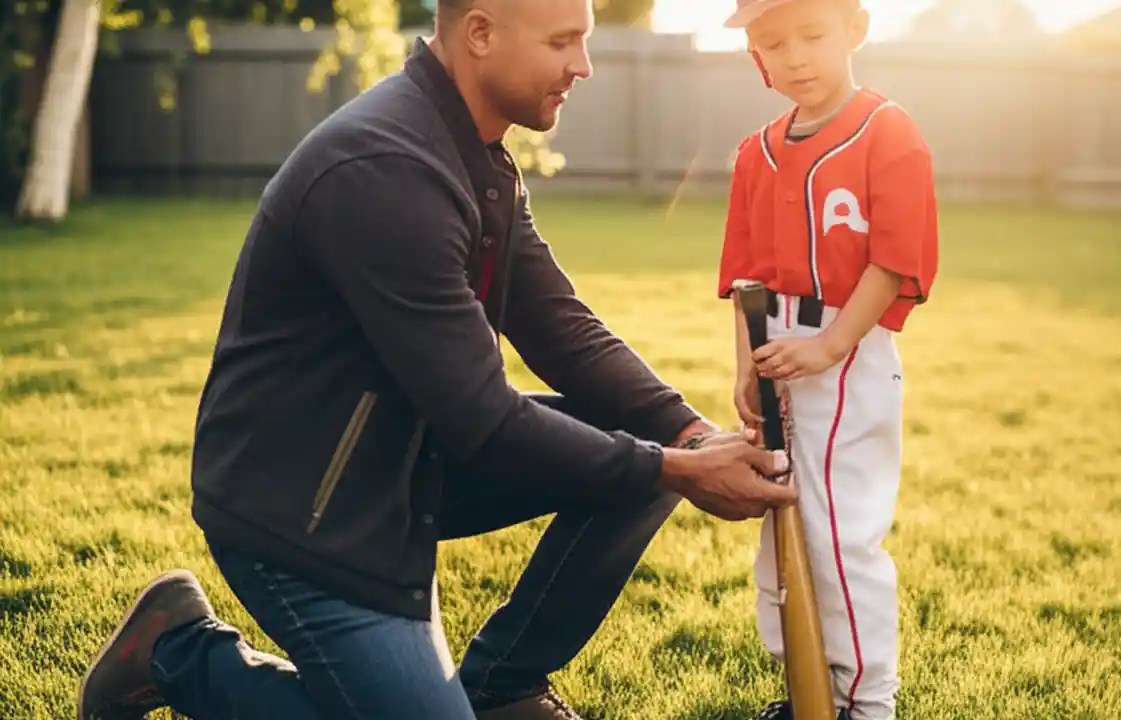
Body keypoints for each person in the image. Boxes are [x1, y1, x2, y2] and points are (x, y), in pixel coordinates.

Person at [77, 2, 799, 719]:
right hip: (304, 506)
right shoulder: (385, 169)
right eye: (562, 42)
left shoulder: (475, 156)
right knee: (646, 466)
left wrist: (690, 436)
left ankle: (501, 688)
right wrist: (675, 467)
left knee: (648, 453)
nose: (583, 65)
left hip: (406, 460)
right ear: (479, 33)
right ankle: (176, 653)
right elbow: (483, 419)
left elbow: (557, 325)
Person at [717, 1, 940, 718]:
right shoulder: (757, 151)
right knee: (783, 520)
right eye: (774, 43)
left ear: (855, 29)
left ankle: (868, 703)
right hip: (777, 345)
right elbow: (745, 275)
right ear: (757, 56)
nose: (797, 57)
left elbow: (894, 261)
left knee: (840, 535)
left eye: (812, 35)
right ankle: (809, 689)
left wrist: (828, 346)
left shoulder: (888, 132)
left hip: (847, 350)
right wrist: (746, 364)